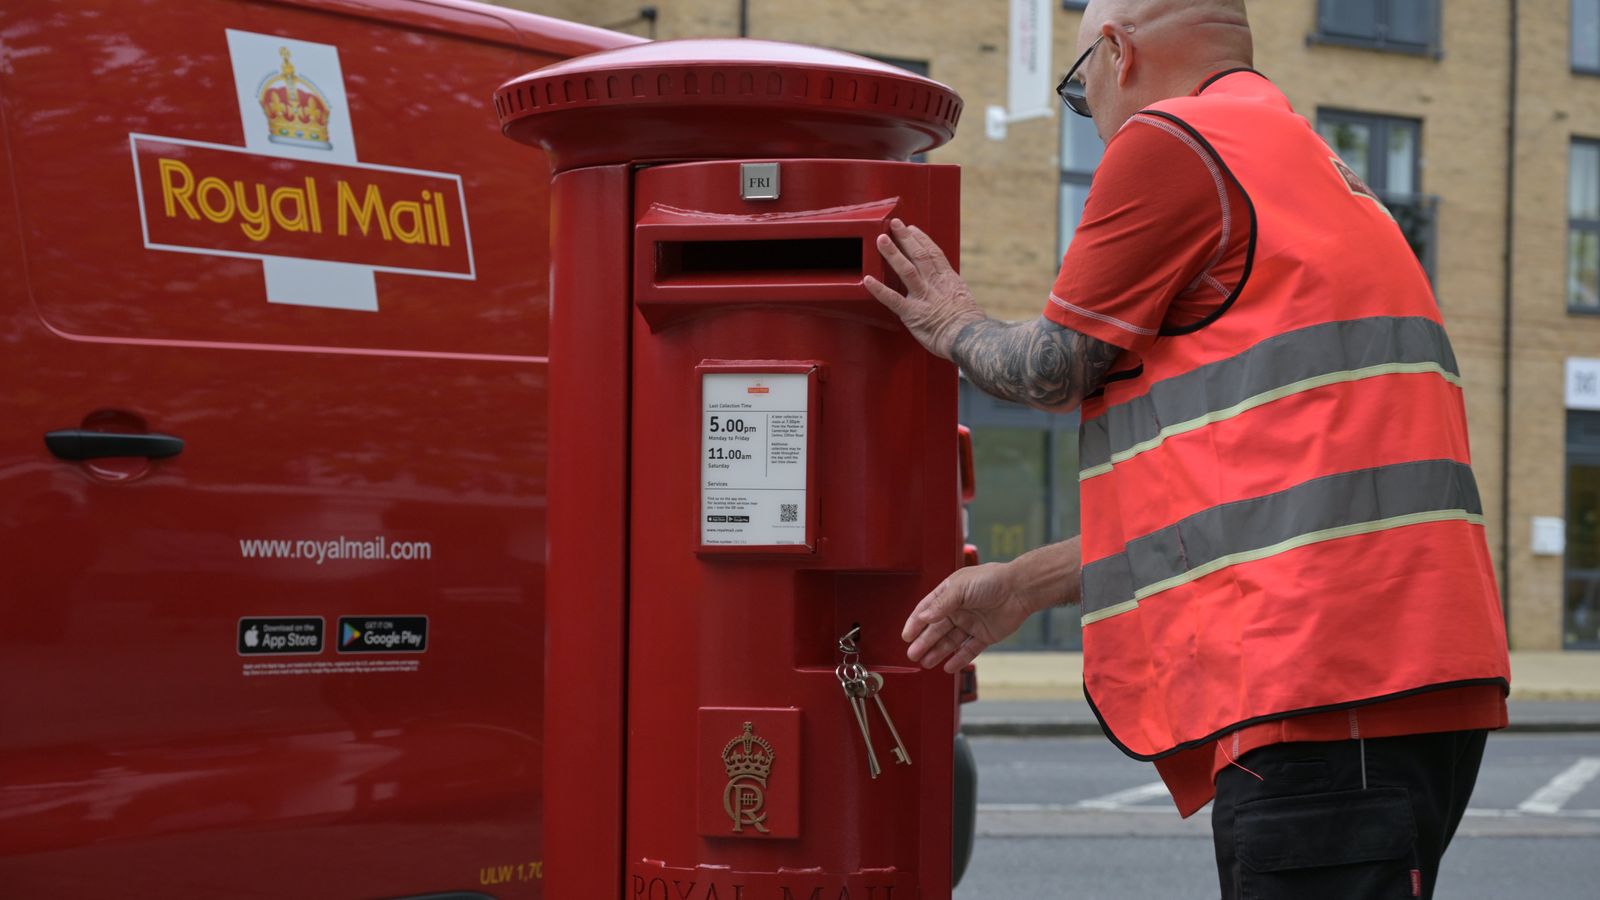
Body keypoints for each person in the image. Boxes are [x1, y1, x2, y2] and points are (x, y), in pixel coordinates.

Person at [862, 1, 1512, 897]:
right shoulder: (1305, 162)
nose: (1089, 119)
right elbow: (1250, 510)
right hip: (1391, 682)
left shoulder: (1175, 142)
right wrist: (1023, 586)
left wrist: (950, 321)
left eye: (1078, 89)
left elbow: (1054, 367)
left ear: (1118, 52)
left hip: (1321, 688)